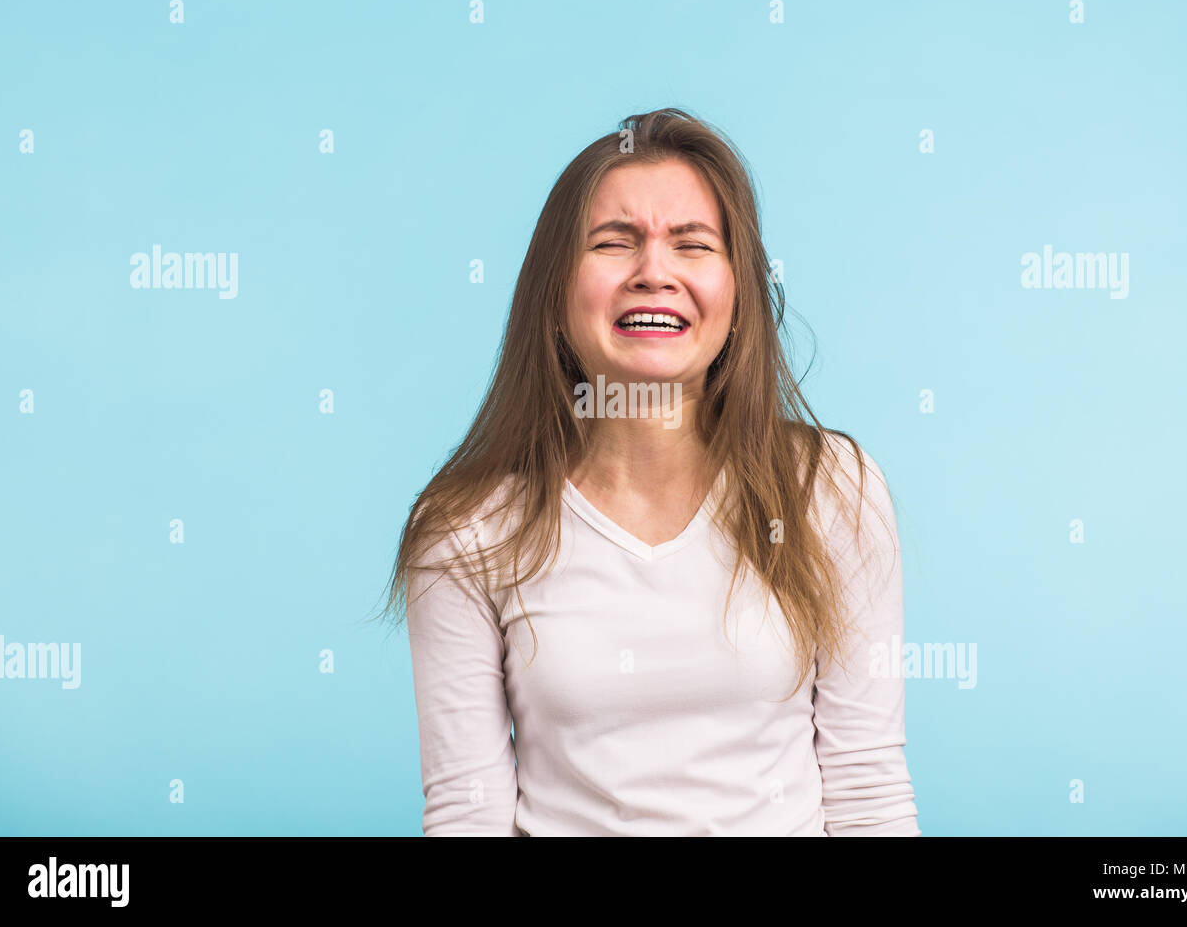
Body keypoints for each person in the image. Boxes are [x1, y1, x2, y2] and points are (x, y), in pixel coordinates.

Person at [379, 107, 921, 836]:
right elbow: (466, 817)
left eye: (693, 245)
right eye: (614, 242)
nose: (654, 272)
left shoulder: (832, 490)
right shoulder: (464, 527)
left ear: (738, 295)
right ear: (557, 292)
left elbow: (868, 791)